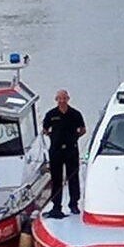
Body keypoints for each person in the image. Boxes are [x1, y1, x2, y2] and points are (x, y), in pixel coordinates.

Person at [43, 89, 87, 218]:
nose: (62, 101)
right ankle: (56, 206)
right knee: (56, 178)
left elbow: (83, 130)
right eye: (59, 99)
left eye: (64, 98)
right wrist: (53, 136)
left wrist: (74, 138)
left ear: (68, 99)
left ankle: (74, 204)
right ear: (56, 100)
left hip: (71, 149)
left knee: (73, 177)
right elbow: (45, 129)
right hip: (56, 150)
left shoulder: (75, 114)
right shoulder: (51, 114)